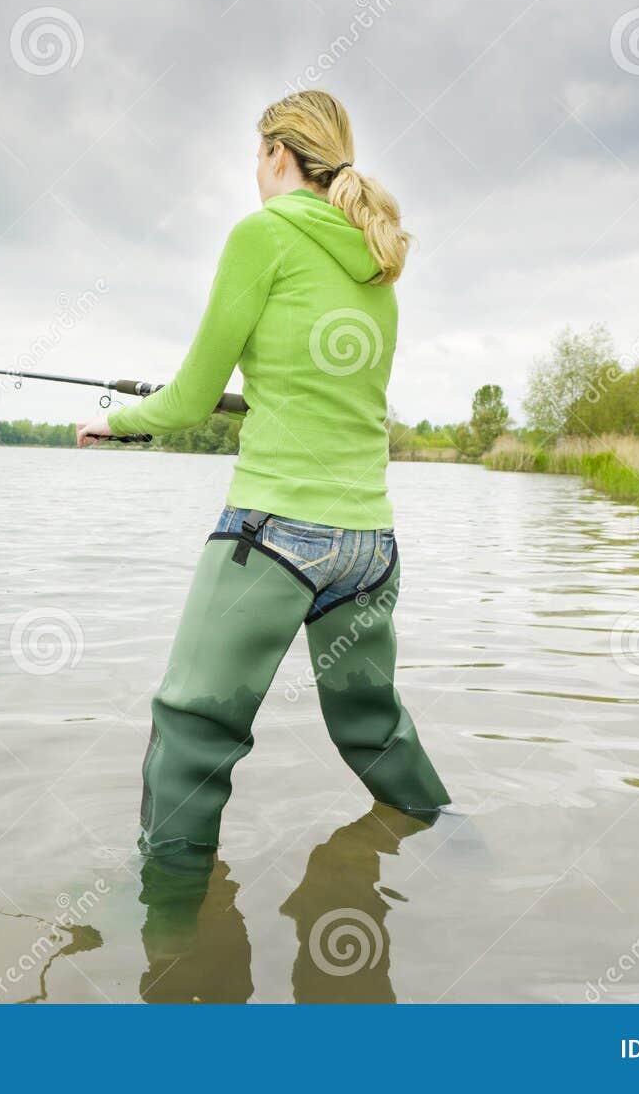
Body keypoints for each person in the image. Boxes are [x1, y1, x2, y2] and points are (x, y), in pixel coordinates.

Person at [77, 90, 450, 868]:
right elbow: (335, 396)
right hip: (370, 546)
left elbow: (183, 401)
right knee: (372, 727)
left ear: (279, 155)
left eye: (257, 156)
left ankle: (173, 929)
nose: (255, 172)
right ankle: (457, 850)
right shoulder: (377, 258)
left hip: (275, 536)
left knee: (191, 730)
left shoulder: (263, 235)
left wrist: (113, 422)